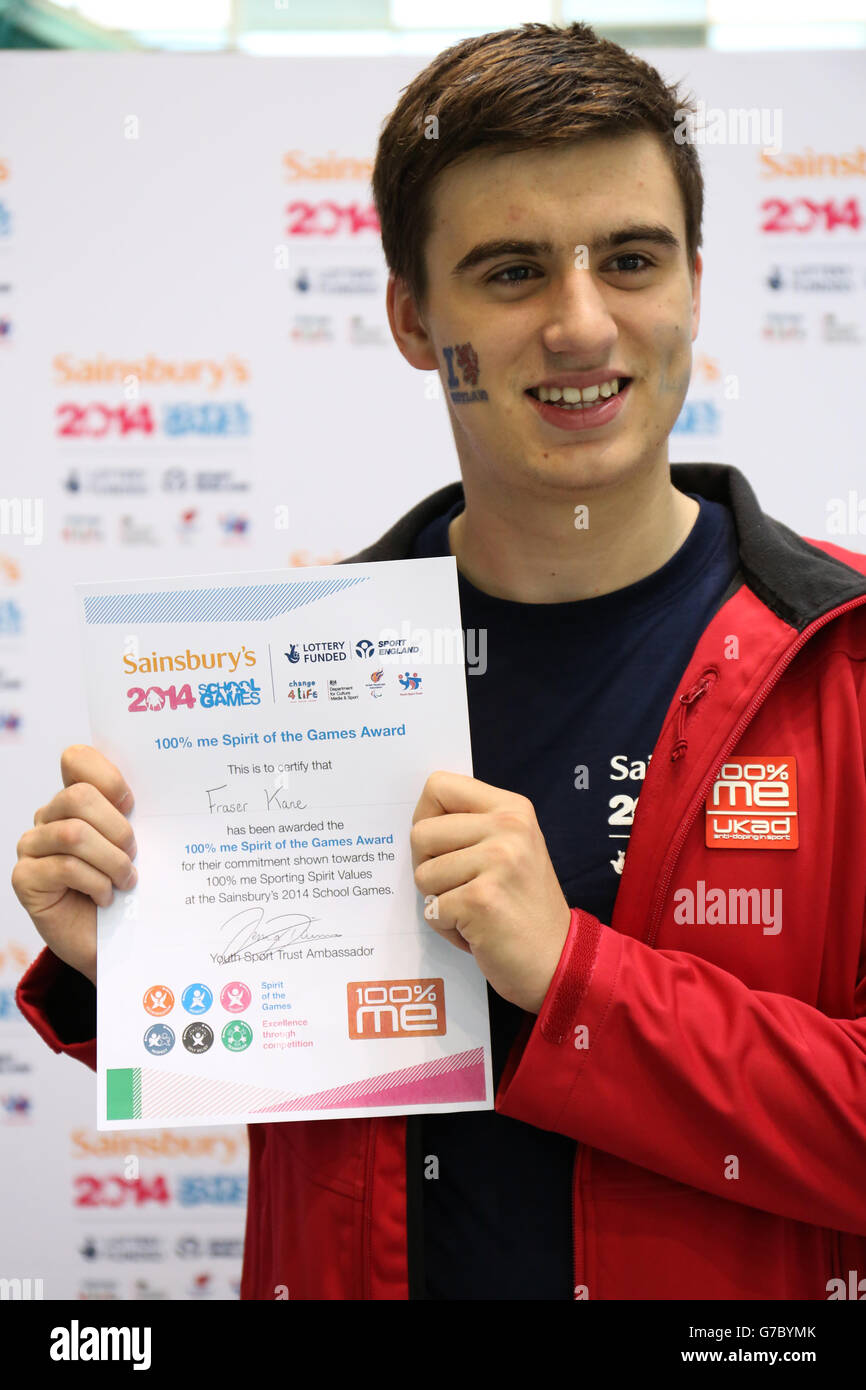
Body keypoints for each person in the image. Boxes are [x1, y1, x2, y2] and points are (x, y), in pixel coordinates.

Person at [12, 21, 866, 1301]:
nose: (581, 325)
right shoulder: (278, 687)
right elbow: (268, 1058)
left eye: (628, 260)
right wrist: (128, 953)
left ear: (693, 281)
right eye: (512, 272)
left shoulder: (842, 661)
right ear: (416, 320)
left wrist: (569, 978)